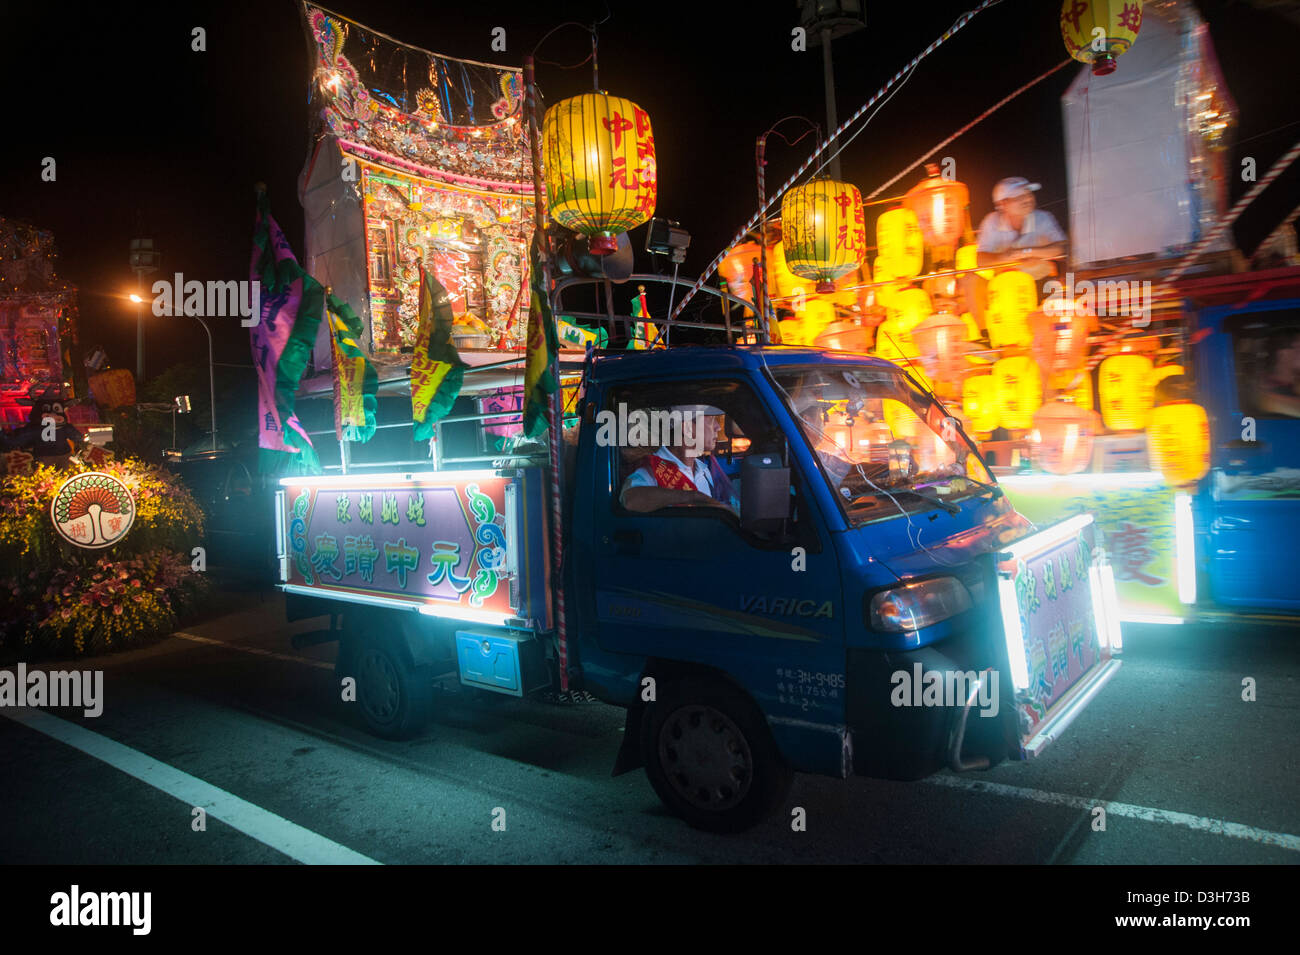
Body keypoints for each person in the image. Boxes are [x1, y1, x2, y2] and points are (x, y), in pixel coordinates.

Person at [619, 406, 738, 513]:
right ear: (687, 428)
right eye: (711, 420)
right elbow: (630, 500)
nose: (718, 427)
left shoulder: (704, 470)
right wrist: (693, 497)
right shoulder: (654, 469)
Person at [975, 177, 1067, 282]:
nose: (1028, 199)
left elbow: (1061, 247)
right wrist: (1006, 257)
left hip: (1041, 281)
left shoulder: (1043, 217)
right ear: (1003, 204)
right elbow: (981, 260)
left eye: (1029, 194)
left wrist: (1028, 252)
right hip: (1004, 285)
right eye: (1019, 197)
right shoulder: (991, 221)